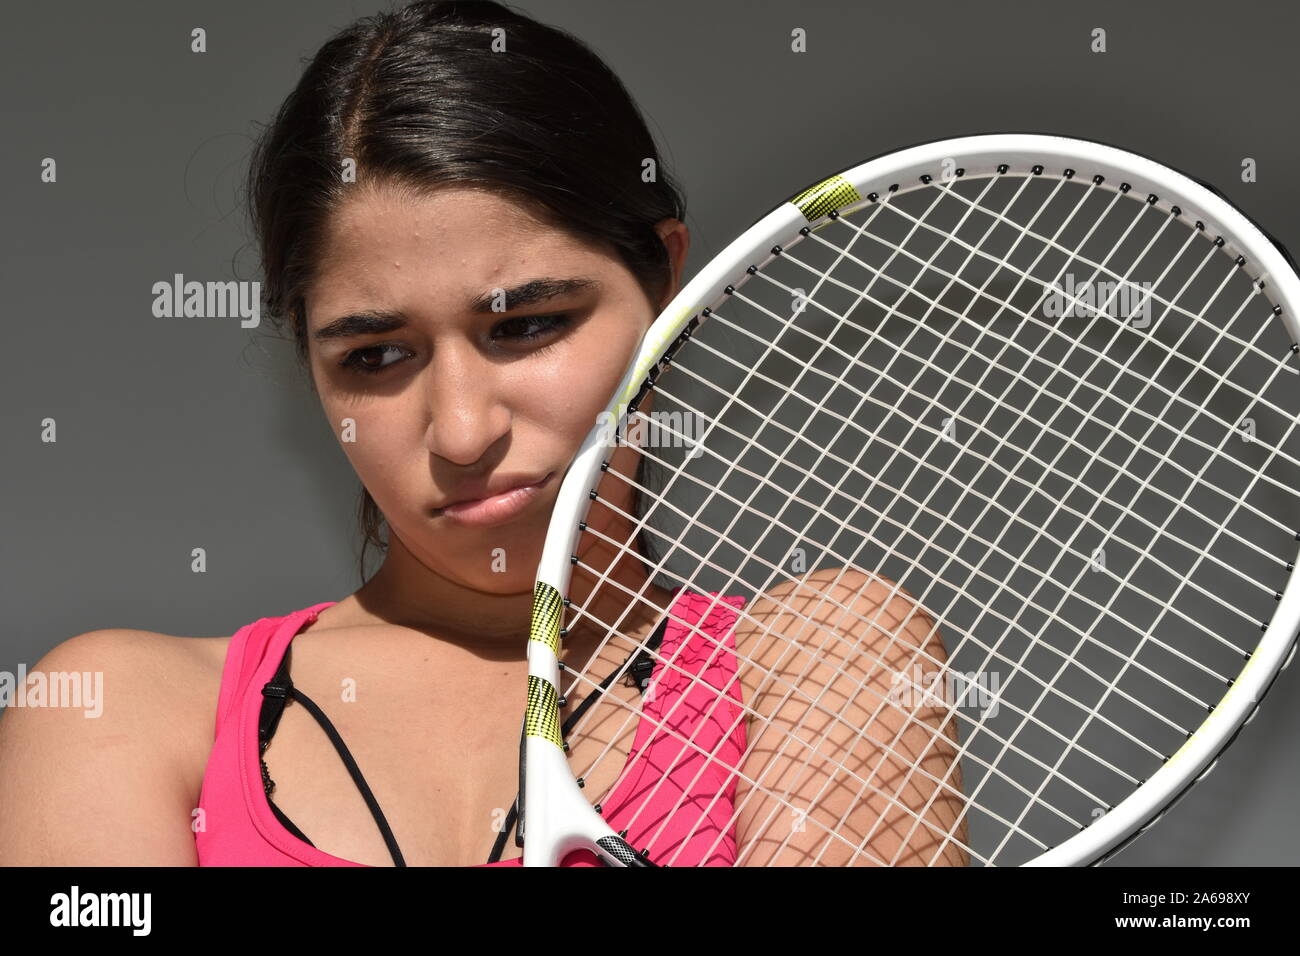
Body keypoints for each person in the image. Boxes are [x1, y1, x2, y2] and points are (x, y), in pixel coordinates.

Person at [0, 0, 967, 866]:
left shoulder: (823, 657)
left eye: (526, 326)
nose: (462, 433)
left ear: (666, 281)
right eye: (375, 356)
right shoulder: (120, 710)